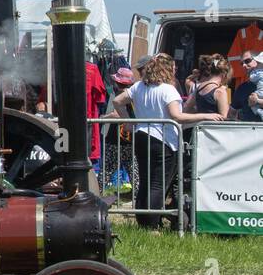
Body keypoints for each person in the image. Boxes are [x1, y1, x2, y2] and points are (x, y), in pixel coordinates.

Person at [110, 53, 223, 230]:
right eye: (173, 67)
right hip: (162, 139)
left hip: (141, 136)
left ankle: (143, 223)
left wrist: (129, 122)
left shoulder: (139, 86)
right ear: (167, 69)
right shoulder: (168, 89)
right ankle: (152, 225)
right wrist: (206, 116)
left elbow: (118, 101)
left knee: (145, 182)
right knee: (157, 184)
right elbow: (176, 116)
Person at [187, 54, 231, 119]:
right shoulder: (222, 91)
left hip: (200, 127)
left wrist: (201, 114)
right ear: (224, 74)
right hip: (213, 128)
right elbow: (225, 117)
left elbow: (186, 108)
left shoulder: (199, 87)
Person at [232, 51, 263, 121]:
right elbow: (231, 113)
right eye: (241, 63)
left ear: (258, 61)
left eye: (247, 61)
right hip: (249, 131)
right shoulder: (241, 88)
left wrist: (258, 101)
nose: (244, 65)